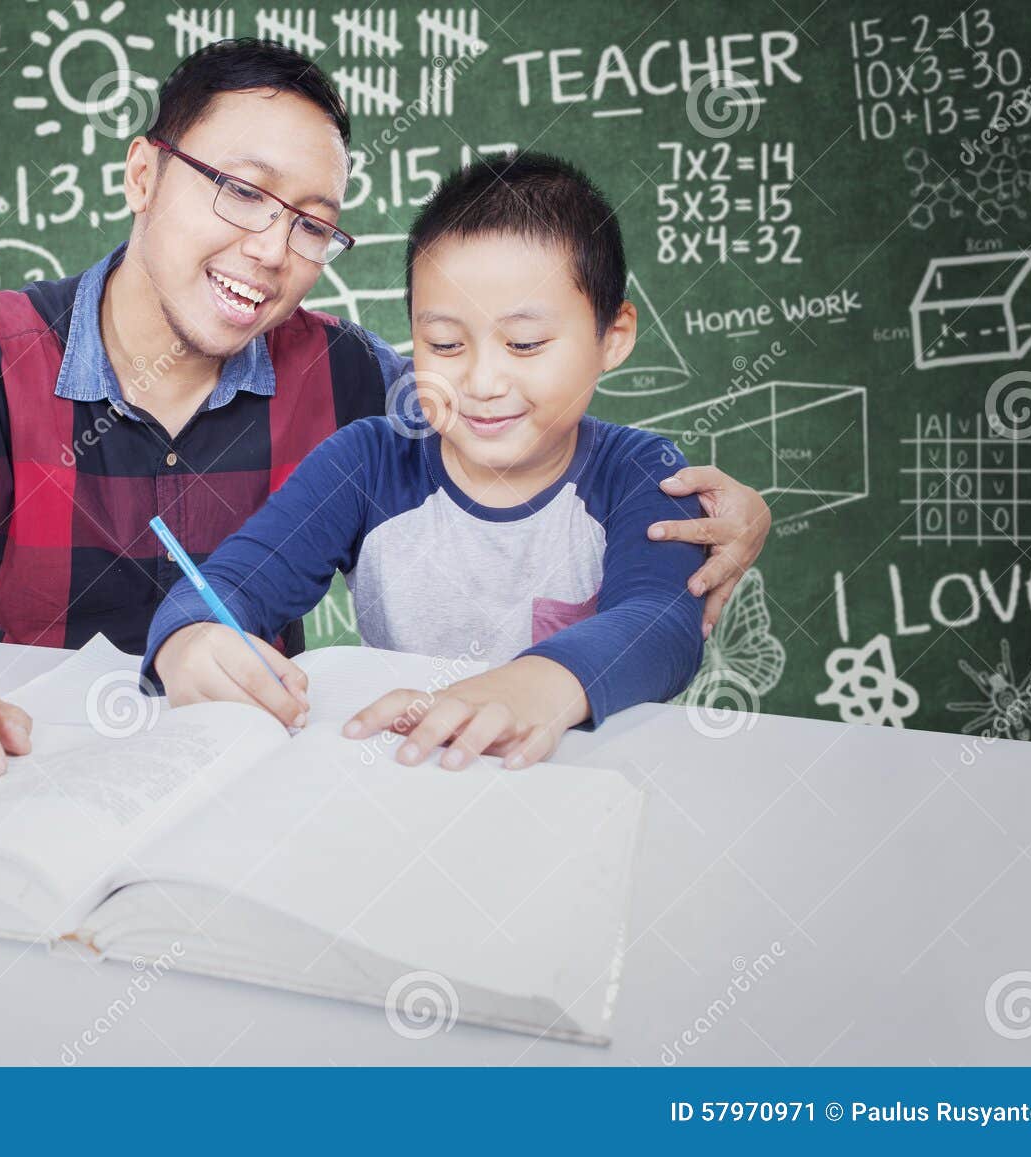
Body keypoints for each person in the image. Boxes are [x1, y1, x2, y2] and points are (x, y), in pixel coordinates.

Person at [0, 40, 773, 806]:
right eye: (243, 192)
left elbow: (515, 422)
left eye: (310, 220)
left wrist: (716, 511)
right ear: (143, 174)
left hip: (260, 777)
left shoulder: (352, 379)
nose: (270, 247)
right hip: (17, 767)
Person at [146, 152, 708, 769]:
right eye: (445, 344)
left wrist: (536, 684)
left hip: (579, 789)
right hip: (414, 781)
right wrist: (189, 637)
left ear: (614, 336)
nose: (483, 380)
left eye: (524, 344)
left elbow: (663, 623)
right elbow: (228, 584)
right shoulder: (368, 463)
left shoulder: (641, 472)